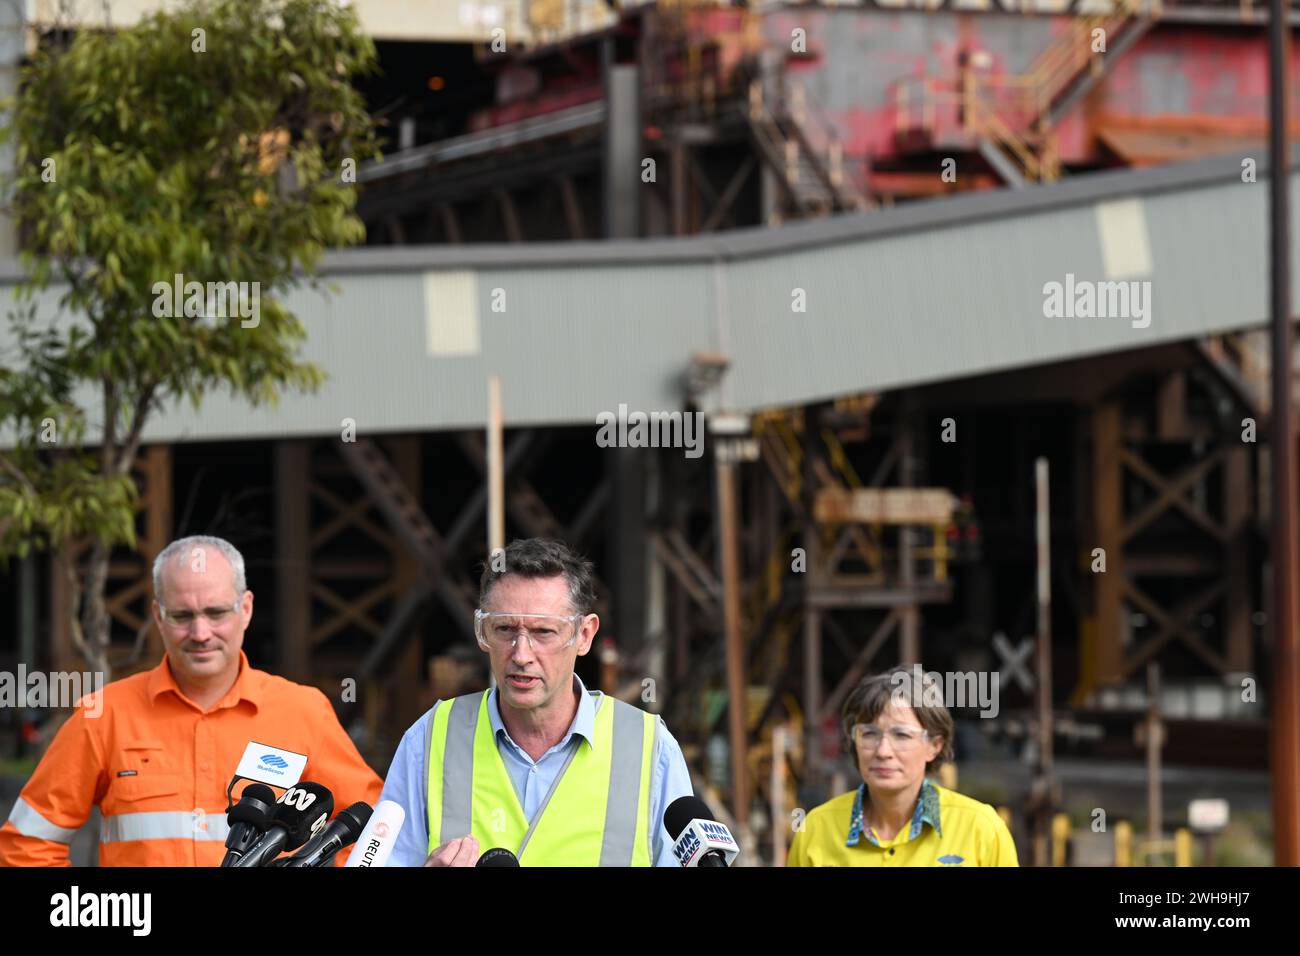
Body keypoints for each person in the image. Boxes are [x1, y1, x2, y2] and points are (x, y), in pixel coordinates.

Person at [0, 535, 383, 866]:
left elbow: (375, 831)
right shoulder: (105, 715)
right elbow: (27, 844)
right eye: (182, 615)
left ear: (245, 609)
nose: (200, 632)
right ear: (157, 615)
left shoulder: (303, 711)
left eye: (216, 612)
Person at [380, 537, 694, 866]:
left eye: (543, 632)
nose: (521, 654)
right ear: (482, 631)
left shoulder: (649, 750)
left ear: (584, 635)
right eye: (504, 629)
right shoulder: (429, 742)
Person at [787, 665, 1018, 867]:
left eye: (901, 735)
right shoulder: (815, 830)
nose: (883, 751)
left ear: (934, 745)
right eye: (869, 734)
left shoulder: (980, 829)